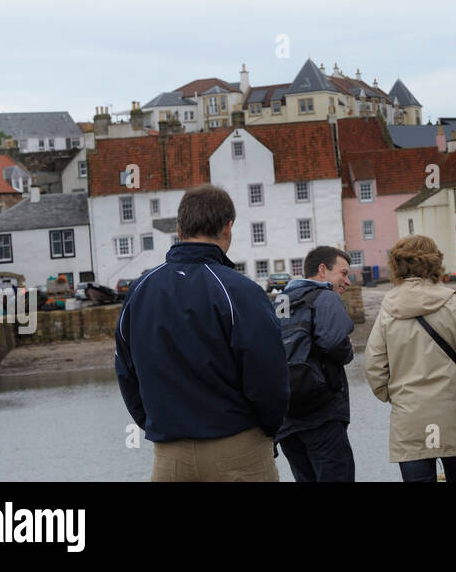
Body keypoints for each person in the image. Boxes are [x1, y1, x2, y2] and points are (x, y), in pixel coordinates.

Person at [115, 184, 287, 482]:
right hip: (238, 447)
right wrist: (269, 428)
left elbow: (125, 371)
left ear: (179, 229)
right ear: (228, 227)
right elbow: (269, 376)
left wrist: (154, 424)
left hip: (170, 455)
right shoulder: (240, 291)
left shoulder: (140, 291)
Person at [365, 235, 456, 482]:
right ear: (435, 262)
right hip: (454, 411)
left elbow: (374, 367)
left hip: (409, 415)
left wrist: (393, 396)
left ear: (397, 265)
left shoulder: (388, 310)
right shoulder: (455, 304)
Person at [276, 246, 356, 482]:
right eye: (343, 273)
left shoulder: (280, 301)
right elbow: (333, 343)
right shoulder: (325, 297)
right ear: (323, 270)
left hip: (288, 421)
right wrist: (349, 350)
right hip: (323, 415)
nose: (347, 281)